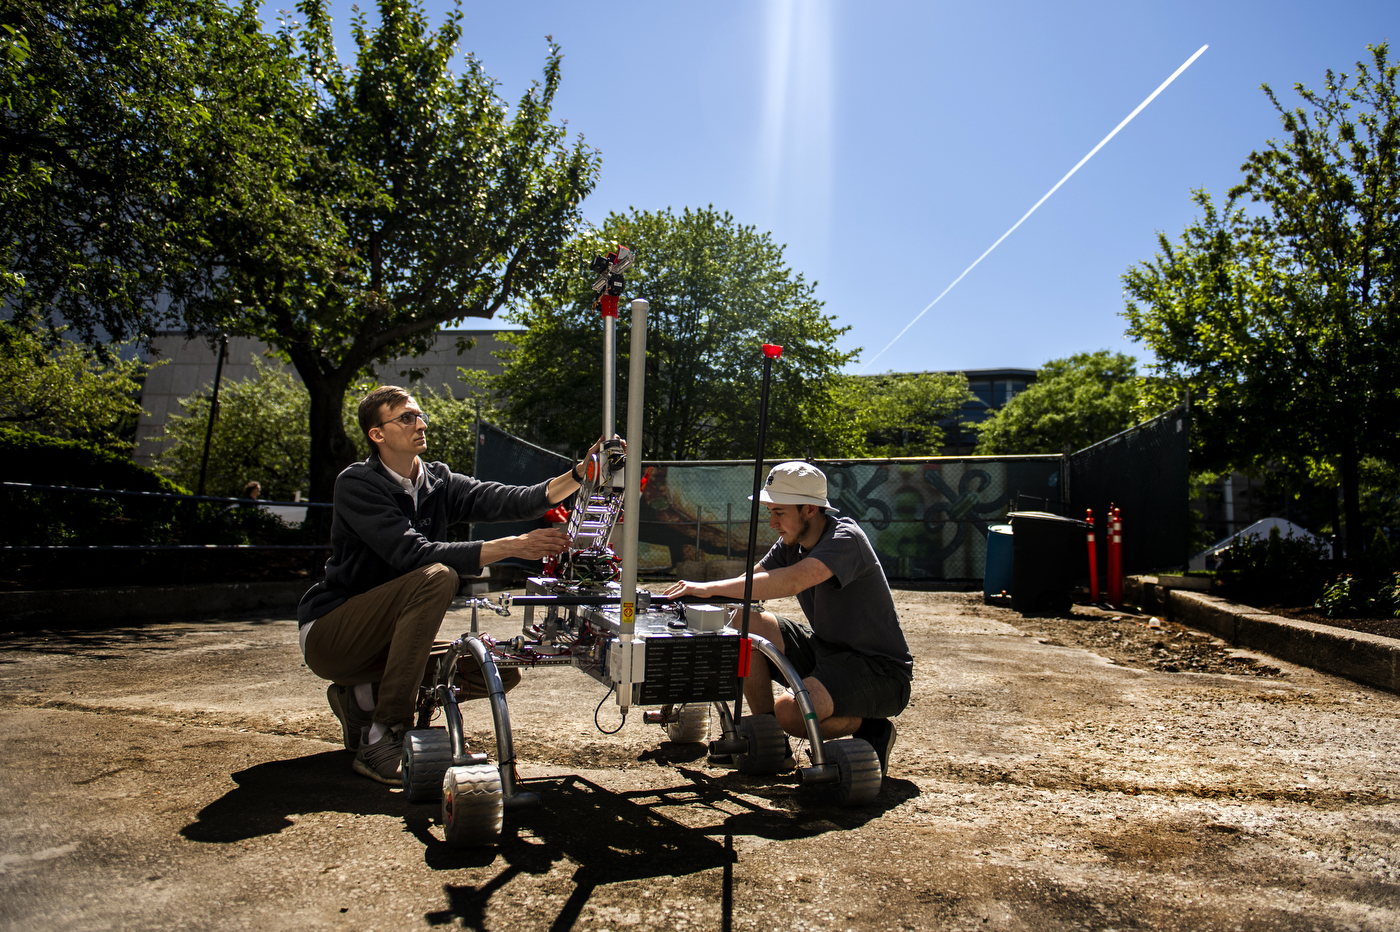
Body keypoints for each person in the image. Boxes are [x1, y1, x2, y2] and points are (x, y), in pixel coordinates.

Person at [298, 385, 604, 786]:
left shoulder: (437, 481)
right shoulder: (357, 483)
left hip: (384, 647)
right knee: (437, 575)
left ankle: (360, 699)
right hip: (334, 635)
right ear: (377, 434)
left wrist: (580, 474)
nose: (420, 423)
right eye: (406, 418)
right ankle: (384, 734)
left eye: (420, 415)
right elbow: (413, 555)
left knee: (495, 669)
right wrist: (514, 545)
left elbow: (517, 500)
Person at [664, 461, 912, 779]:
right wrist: (695, 600)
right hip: (829, 652)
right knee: (742, 620)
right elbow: (751, 581)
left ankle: (873, 726)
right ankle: (771, 745)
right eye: (771, 512)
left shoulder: (845, 538)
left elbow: (791, 581)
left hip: (879, 671)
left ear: (809, 509)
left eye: (779, 512)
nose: (772, 522)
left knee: (791, 711)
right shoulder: (790, 544)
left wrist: (706, 586)